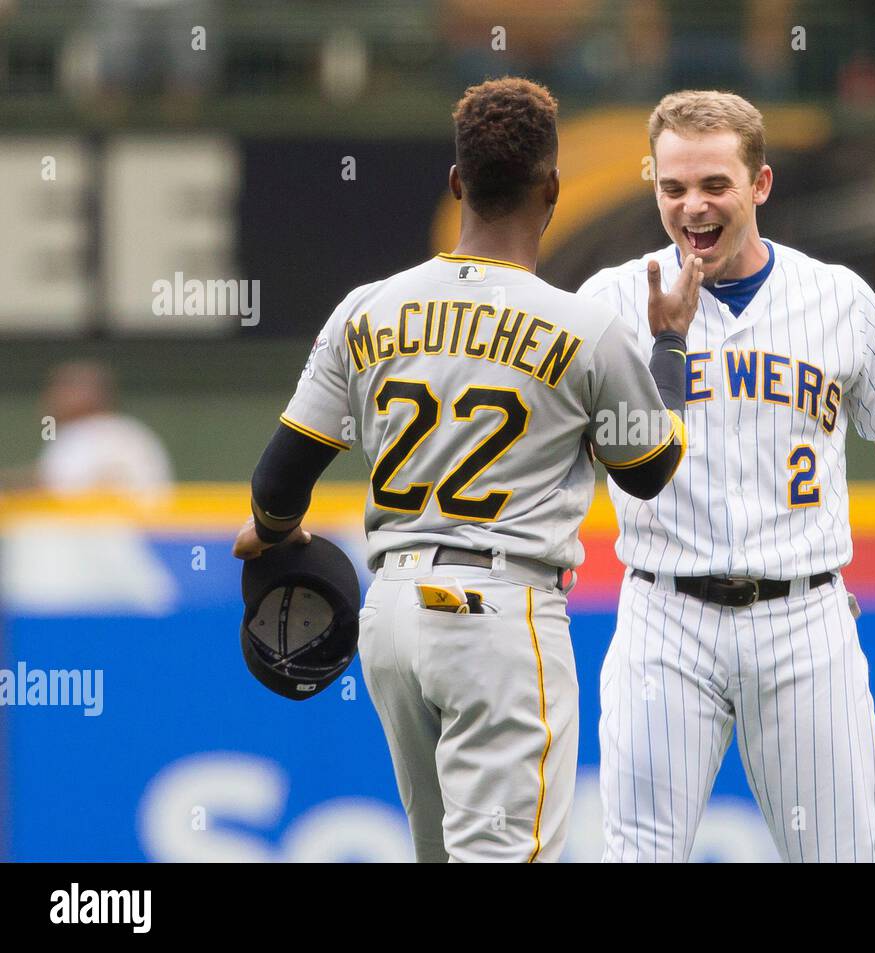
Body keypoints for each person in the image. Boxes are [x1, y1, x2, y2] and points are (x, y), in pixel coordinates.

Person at [232, 77, 698, 863]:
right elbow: (651, 473)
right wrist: (672, 346)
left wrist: (276, 532)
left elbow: (278, 482)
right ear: (552, 188)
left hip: (395, 617)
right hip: (500, 615)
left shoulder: (367, 308)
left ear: (458, 183)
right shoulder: (587, 328)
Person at [578, 90, 875, 863]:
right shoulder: (610, 300)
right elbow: (597, 452)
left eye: (715, 185)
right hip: (663, 612)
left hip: (803, 615)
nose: (693, 205)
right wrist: (667, 353)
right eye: (673, 187)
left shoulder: (838, 298)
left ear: (760, 185)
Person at [21, 360, 173, 502]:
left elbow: (56, 487)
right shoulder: (77, 431)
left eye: (65, 388)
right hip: (99, 525)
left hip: (123, 527)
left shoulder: (110, 431)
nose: (53, 397)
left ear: (90, 394)